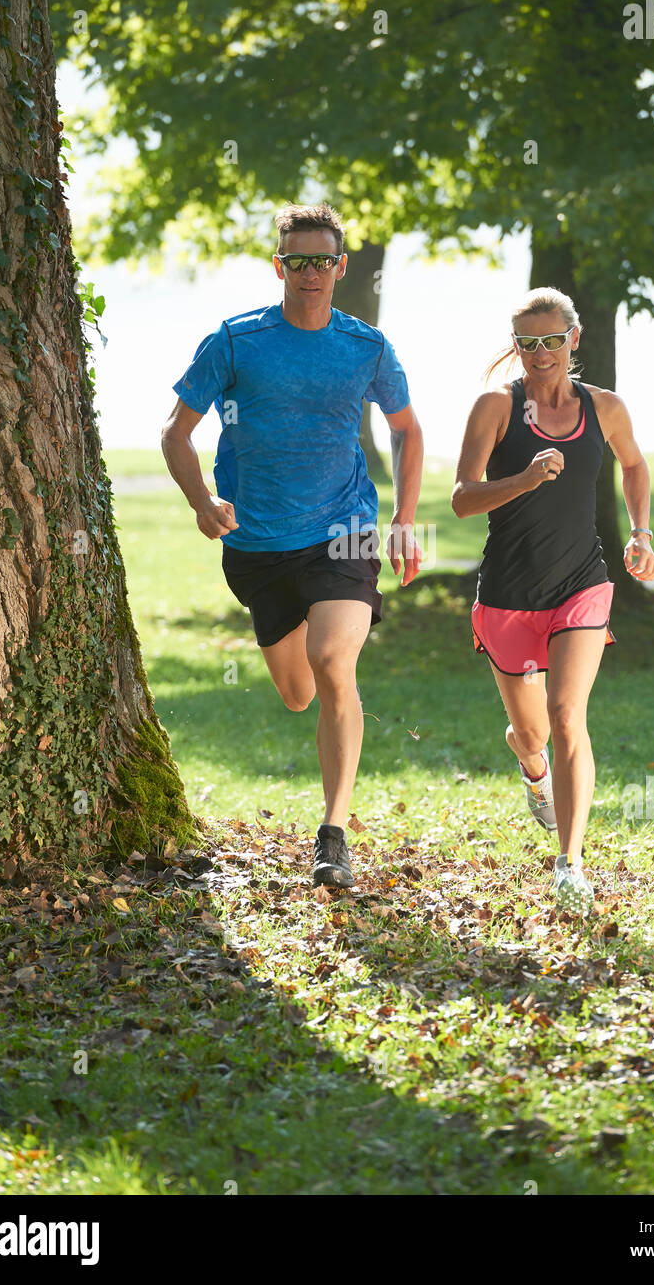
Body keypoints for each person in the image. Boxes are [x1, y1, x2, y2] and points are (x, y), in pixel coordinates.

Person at [162, 202, 424, 889]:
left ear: (341, 267)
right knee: (297, 693)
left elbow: (405, 428)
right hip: (257, 544)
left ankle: (332, 835)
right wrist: (202, 502)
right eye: (298, 260)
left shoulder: (366, 346)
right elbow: (175, 432)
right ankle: (313, 665)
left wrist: (402, 517)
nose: (311, 272)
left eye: (323, 261)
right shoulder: (235, 341)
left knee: (333, 660)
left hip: (343, 531)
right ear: (279, 266)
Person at [452, 287, 654, 915]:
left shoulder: (605, 407)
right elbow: (462, 498)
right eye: (527, 343)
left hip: (581, 584)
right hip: (509, 594)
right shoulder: (495, 407)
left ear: (574, 339)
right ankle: (532, 767)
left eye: (551, 340)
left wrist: (641, 534)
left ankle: (570, 863)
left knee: (568, 715)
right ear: (516, 346)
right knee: (532, 732)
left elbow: (634, 466)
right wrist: (523, 479)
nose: (540, 353)